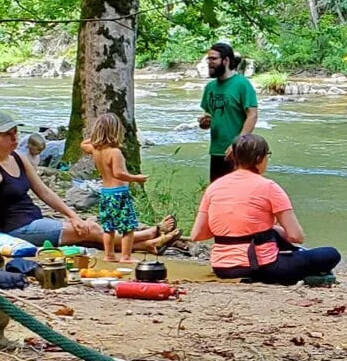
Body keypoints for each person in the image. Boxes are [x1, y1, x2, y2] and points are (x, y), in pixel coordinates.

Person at [0, 113, 177, 252]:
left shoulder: (19, 158)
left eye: (16, 133)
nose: (15, 139)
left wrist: (73, 216)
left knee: (86, 235)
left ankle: (147, 245)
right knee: (90, 229)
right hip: (16, 229)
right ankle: (151, 232)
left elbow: (45, 192)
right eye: (8, 135)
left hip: (34, 219)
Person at [191, 133, 340, 285]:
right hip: (262, 268)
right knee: (331, 254)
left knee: (273, 233)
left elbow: (198, 234)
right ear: (259, 159)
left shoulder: (214, 187)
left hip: (222, 268)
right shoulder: (269, 187)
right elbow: (297, 236)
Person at [80, 113, 147, 261]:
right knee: (128, 227)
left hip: (105, 193)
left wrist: (97, 138)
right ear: (116, 132)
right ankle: (126, 256)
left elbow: (83, 144)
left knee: (108, 227)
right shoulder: (115, 152)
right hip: (119, 193)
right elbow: (118, 173)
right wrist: (136, 178)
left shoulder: (95, 150)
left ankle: (109, 255)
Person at [198, 42, 258, 182]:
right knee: (218, 195)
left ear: (226, 60)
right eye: (208, 59)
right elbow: (209, 117)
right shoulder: (210, 87)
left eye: (213, 59)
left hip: (239, 153)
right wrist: (204, 122)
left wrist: (238, 143)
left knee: (238, 196)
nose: (209, 63)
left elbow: (252, 115)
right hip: (216, 151)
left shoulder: (242, 84)